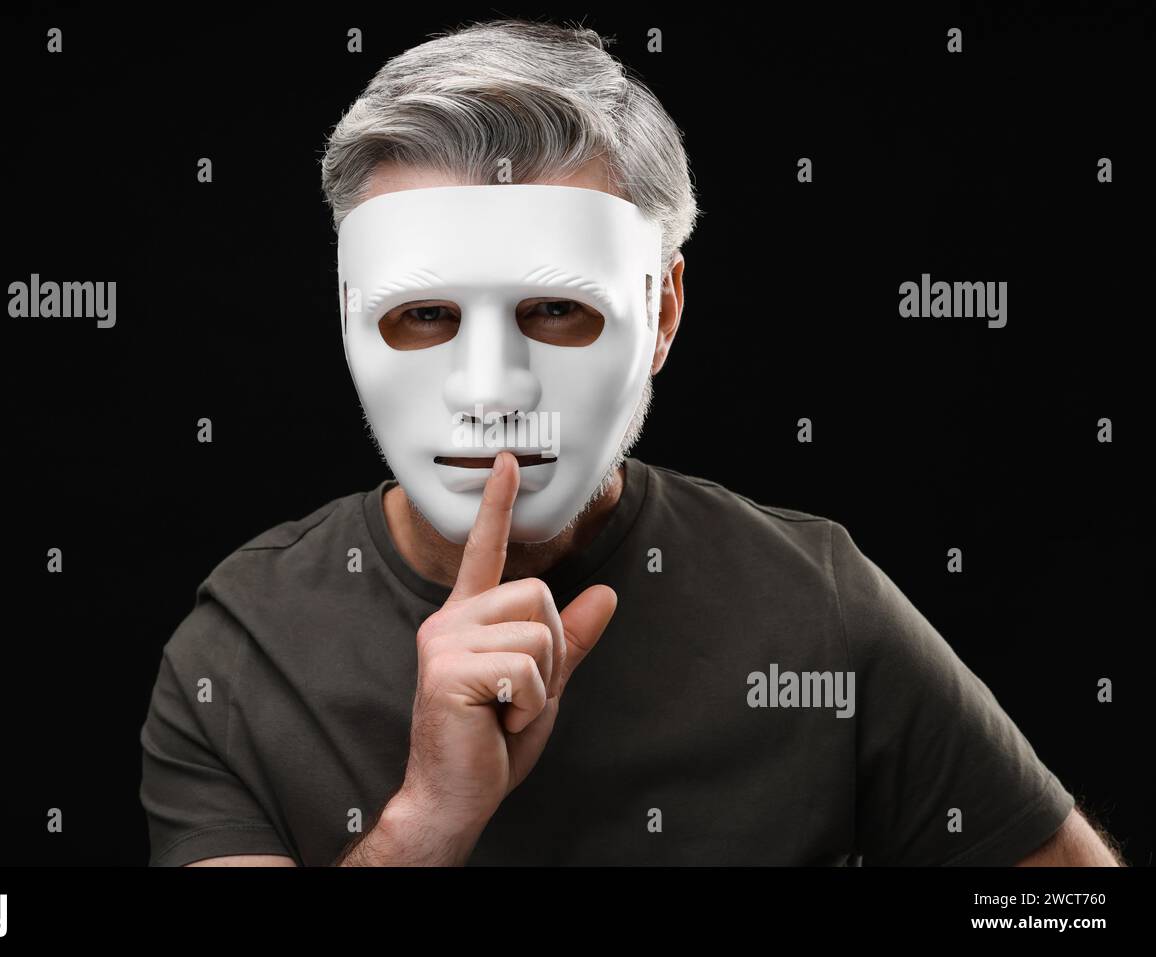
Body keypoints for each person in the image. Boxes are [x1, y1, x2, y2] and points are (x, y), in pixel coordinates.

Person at [139, 19, 1121, 866]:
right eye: (425, 314)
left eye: (560, 309)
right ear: (347, 313)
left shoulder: (817, 604)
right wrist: (428, 819)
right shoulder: (240, 649)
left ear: (662, 312)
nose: (491, 392)